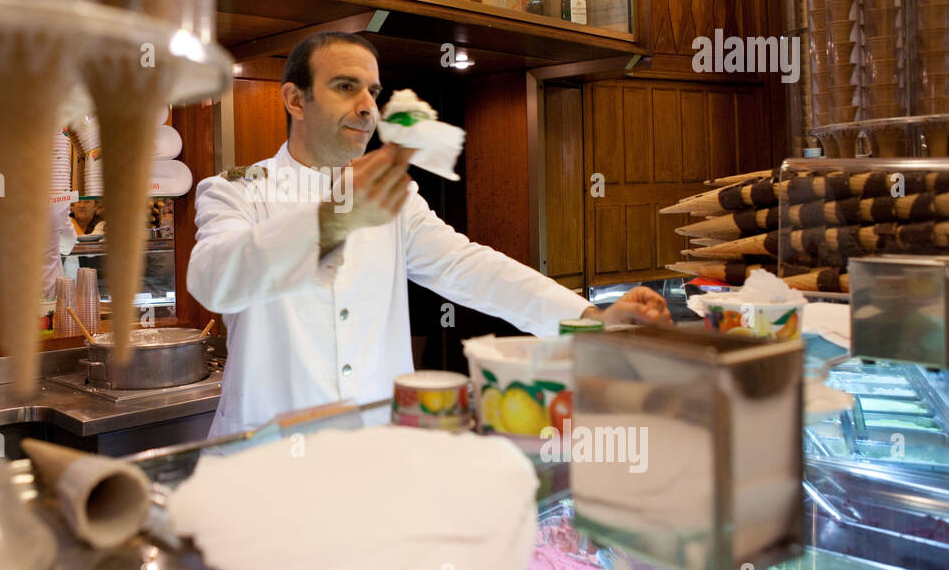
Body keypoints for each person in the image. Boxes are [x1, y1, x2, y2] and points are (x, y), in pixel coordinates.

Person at [187, 32, 671, 438]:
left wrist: (588, 319)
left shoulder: (393, 198)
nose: (367, 108)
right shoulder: (238, 191)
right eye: (344, 87)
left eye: (372, 92)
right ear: (295, 99)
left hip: (374, 456)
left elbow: (469, 267)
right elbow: (214, 279)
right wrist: (334, 216)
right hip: (268, 461)